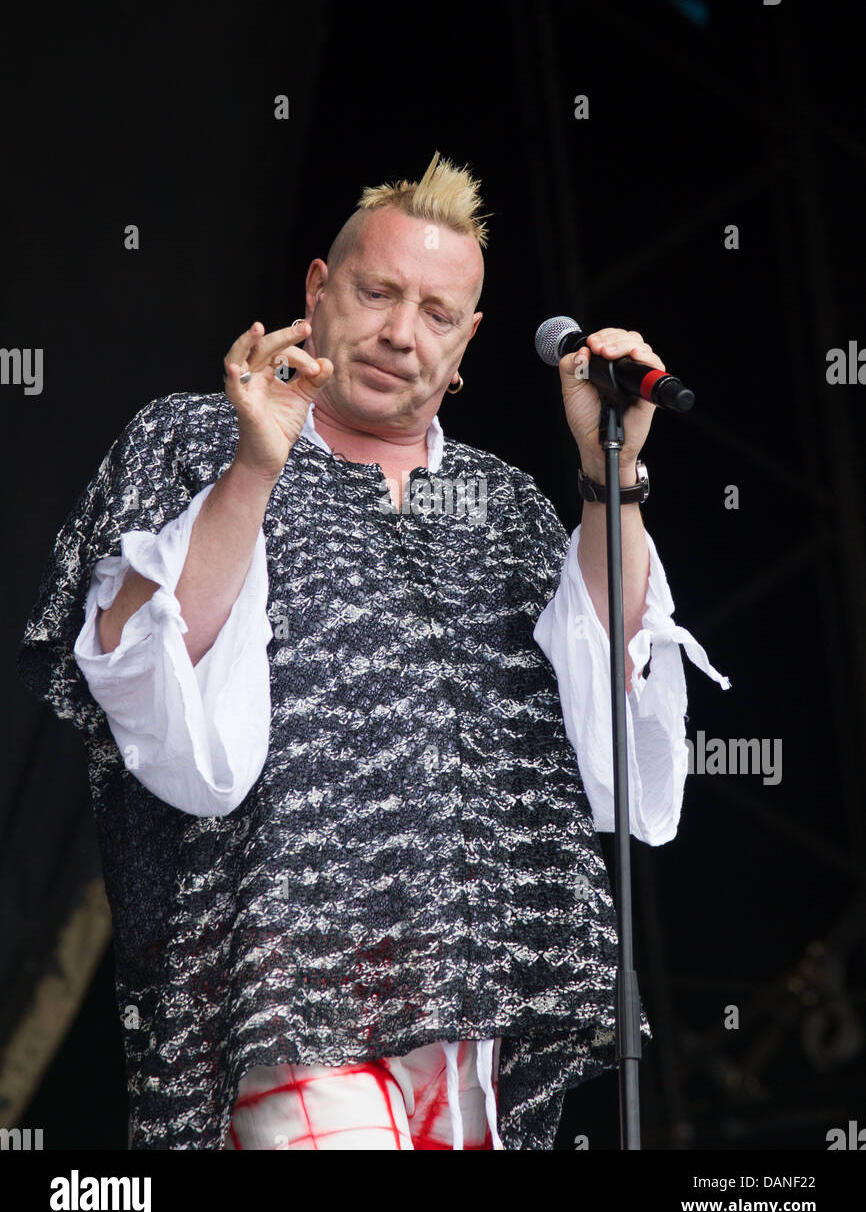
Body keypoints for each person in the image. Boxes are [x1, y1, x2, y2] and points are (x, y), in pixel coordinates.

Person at [17, 152, 729, 1150]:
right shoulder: (193, 439)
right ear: (318, 289)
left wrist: (610, 476)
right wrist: (253, 469)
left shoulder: (503, 502)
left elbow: (616, 745)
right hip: (284, 1002)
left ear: (467, 341)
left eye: (436, 313)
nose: (401, 331)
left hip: (472, 1009)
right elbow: (148, 688)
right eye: (376, 292)